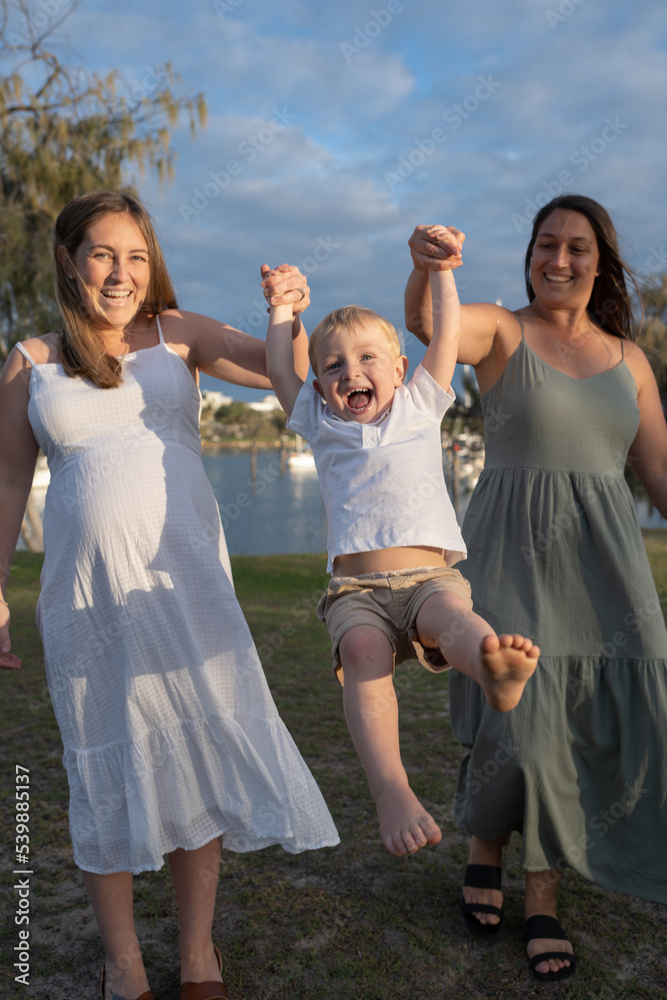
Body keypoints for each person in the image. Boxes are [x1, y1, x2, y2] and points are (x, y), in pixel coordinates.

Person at [0, 190, 339, 1000]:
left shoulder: (176, 335)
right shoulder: (31, 360)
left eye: (136, 256)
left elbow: (274, 367)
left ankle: (197, 955)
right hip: (88, 602)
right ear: (69, 260)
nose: (120, 273)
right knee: (102, 767)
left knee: (194, 756)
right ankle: (124, 964)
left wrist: (288, 309)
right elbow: (10, 475)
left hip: (187, 588)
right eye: (102, 254)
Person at [404, 195, 667, 982]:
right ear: (528, 255)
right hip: (511, 548)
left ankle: (523, 874)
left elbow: (657, 473)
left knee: (610, 703)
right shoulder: (499, 328)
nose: (558, 259)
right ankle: (508, 872)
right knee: (517, 715)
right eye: (545, 245)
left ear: (599, 261)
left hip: (605, 564)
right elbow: (428, 329)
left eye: (576, 248)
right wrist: (427, 268)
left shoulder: (630, 360)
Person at [263, 240, 539, 861]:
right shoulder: (319, 421)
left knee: (455, 621)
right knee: (362, 653)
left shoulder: (418, 405)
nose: (348, 373)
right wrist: (282, 310)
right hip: (354, 591)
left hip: (426, 575)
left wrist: (442, 272)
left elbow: (445, 337)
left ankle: (493, 672)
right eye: (331, 366)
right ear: (321, 383)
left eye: (365, 359)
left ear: (398, 366)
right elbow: (281, 369)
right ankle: (392, 790)